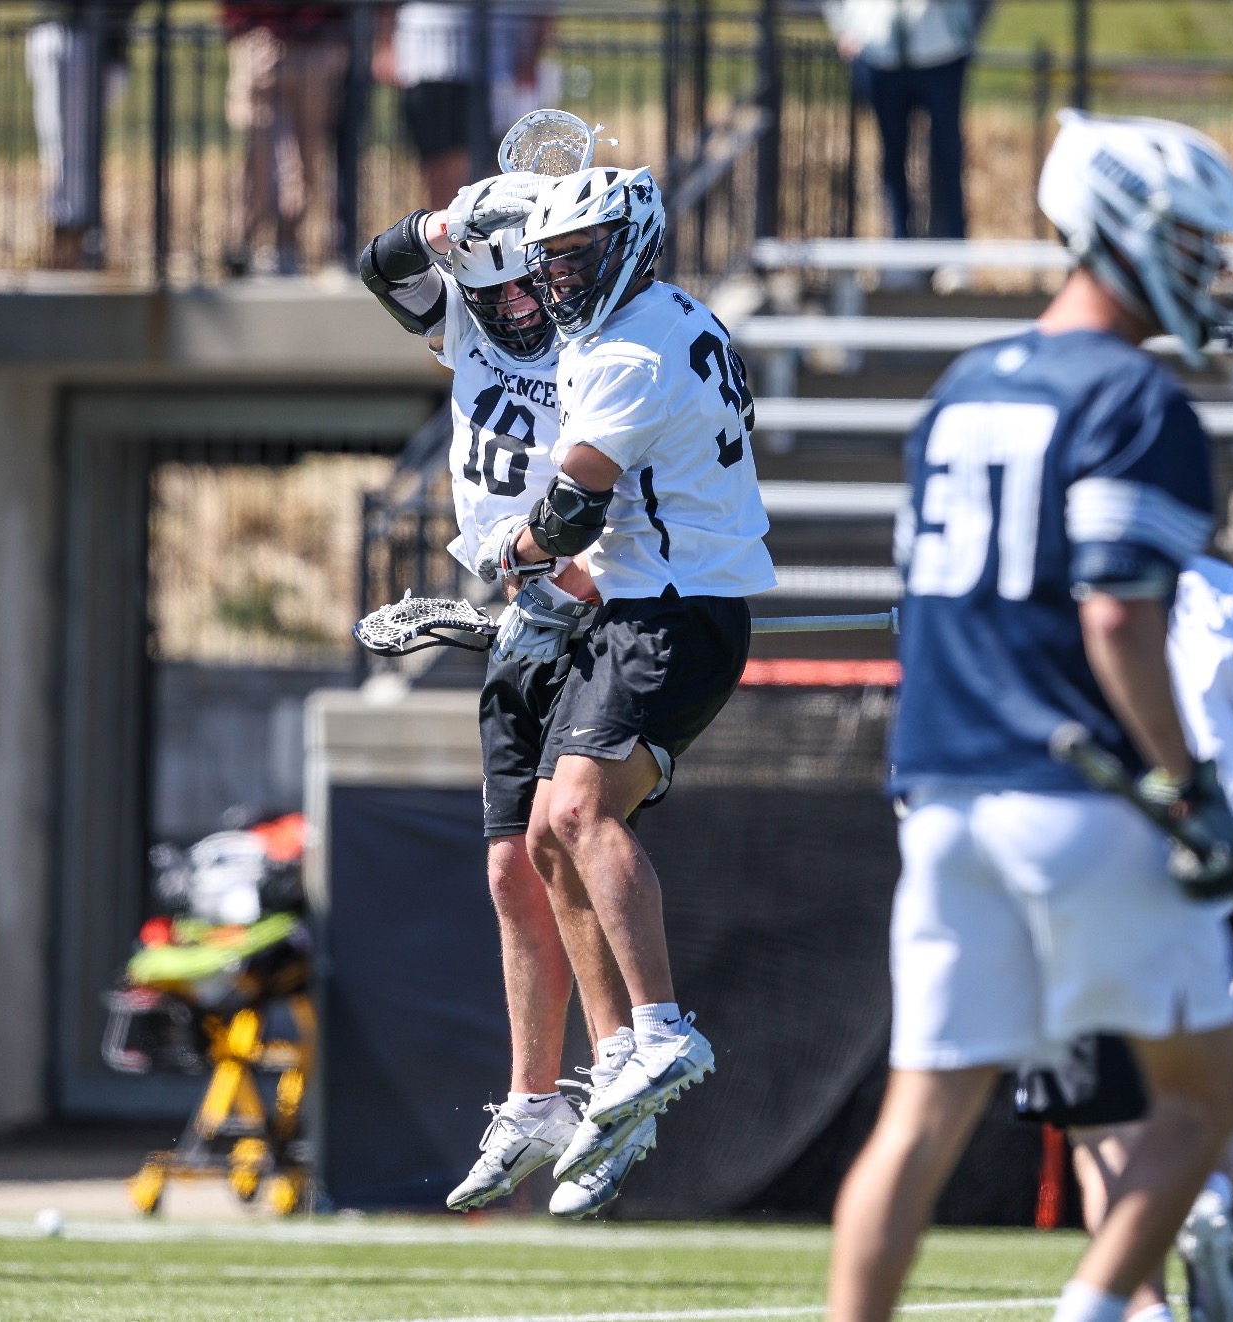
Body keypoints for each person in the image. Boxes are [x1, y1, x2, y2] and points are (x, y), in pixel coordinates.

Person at [824, 109, 1233, 1322]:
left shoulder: (963, 384)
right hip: (1083, 797)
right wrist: (1186, 787)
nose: (1208, 266)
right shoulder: (1134, 397)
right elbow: (1116, 620)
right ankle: (1094, 1311)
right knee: (1203, 1096)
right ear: (1118, 227)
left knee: (916, 1120)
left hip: (946, 792)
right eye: (1186, 238)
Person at [357, 171, 654, 1218]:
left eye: (530, 288)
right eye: (498, 297)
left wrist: (571, 581)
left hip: (590, 594)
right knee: (504, 865)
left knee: (559, 833)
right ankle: (536, 1097)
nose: (519, 311)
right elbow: (379, 267)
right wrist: (429, 227)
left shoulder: (595, 338)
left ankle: (621, 1060)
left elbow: (615, 481)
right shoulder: (467, 330)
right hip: (521, 604)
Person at [496, 163, 775, 1188]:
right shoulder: (652, 323)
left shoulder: (631, 346)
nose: (559, 278)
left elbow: (570, 512)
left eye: (575, 256)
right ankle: (618, 1052)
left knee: (576, 814)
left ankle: (659, 1028)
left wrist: (513, 553)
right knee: (542, 834)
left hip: (673, 610)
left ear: (628, 242)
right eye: (551, 260)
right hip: (642, 603)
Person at [1018, 554, 1233, 1322]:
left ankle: (1141, 1307)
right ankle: (1204, 1198)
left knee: (1099, 1122)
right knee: (1203, 1097)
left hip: (1066, 866)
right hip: (1208, 876)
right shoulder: (1220, 592)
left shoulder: (1027, 569)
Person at [824, 0, 978, 256]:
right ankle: (898, 247)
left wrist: (966, 29)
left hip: (942, 49)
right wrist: (843, 29)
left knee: (947, 155)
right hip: (879, 51)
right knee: (892, 156)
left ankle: (954, 249)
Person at [377, 1, 556, 209]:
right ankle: (446, 236)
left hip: (499, 74)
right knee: (447, 173)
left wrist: (530, 55)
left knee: (499, 176)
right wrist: (384, 43)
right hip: (433, 68)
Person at [222, 0, 347, 277]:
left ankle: (288, 248)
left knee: (307, 156)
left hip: (316, 40)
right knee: (258, 152)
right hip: (261, 37)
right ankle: (247, 245)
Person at [27, 0, 136, 269]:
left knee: (77, 150)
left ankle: (77, 243)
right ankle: (69, 244)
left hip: (101, 40)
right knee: (66, 149)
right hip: (69, 33)